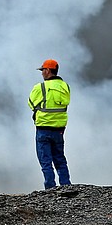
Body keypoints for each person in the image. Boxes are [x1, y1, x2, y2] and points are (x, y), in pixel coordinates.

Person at [28, 58, 71, 188]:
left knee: (45, 160)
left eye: (42, 70)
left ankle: (50, 188)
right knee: (60, 159)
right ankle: (66, 186)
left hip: (43, 129)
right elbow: (65, 103)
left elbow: (31, 104)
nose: (41, 73)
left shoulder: (40, 87)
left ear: (47, 70)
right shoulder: (65, 86)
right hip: (59, 129)